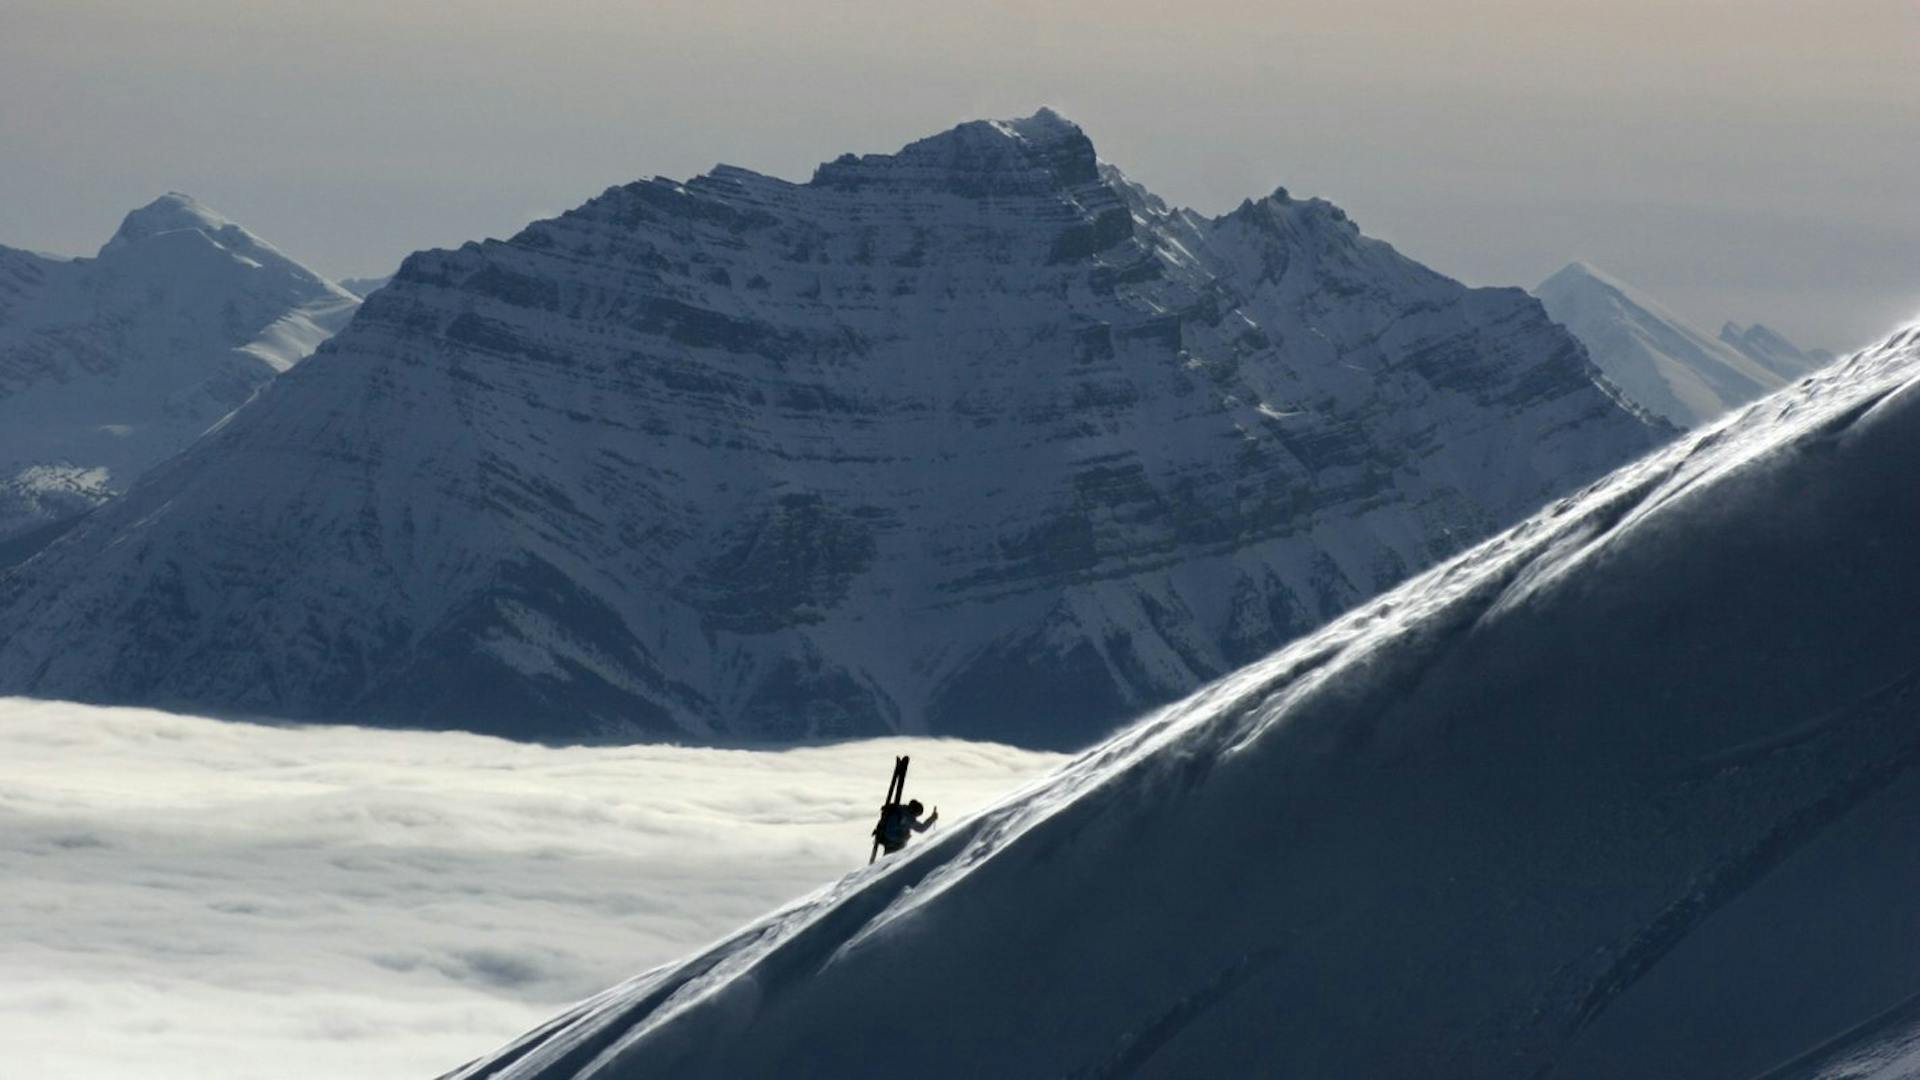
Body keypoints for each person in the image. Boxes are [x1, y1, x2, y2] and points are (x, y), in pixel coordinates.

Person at [873, 798, 938, 855]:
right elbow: (921, 828)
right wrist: (903, 837)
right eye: (917, 814)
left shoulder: (901, 811)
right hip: (893, 844)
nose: (915, 817)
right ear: (914, 811)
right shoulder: (906, 816)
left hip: (889, 842)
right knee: (891, 863)